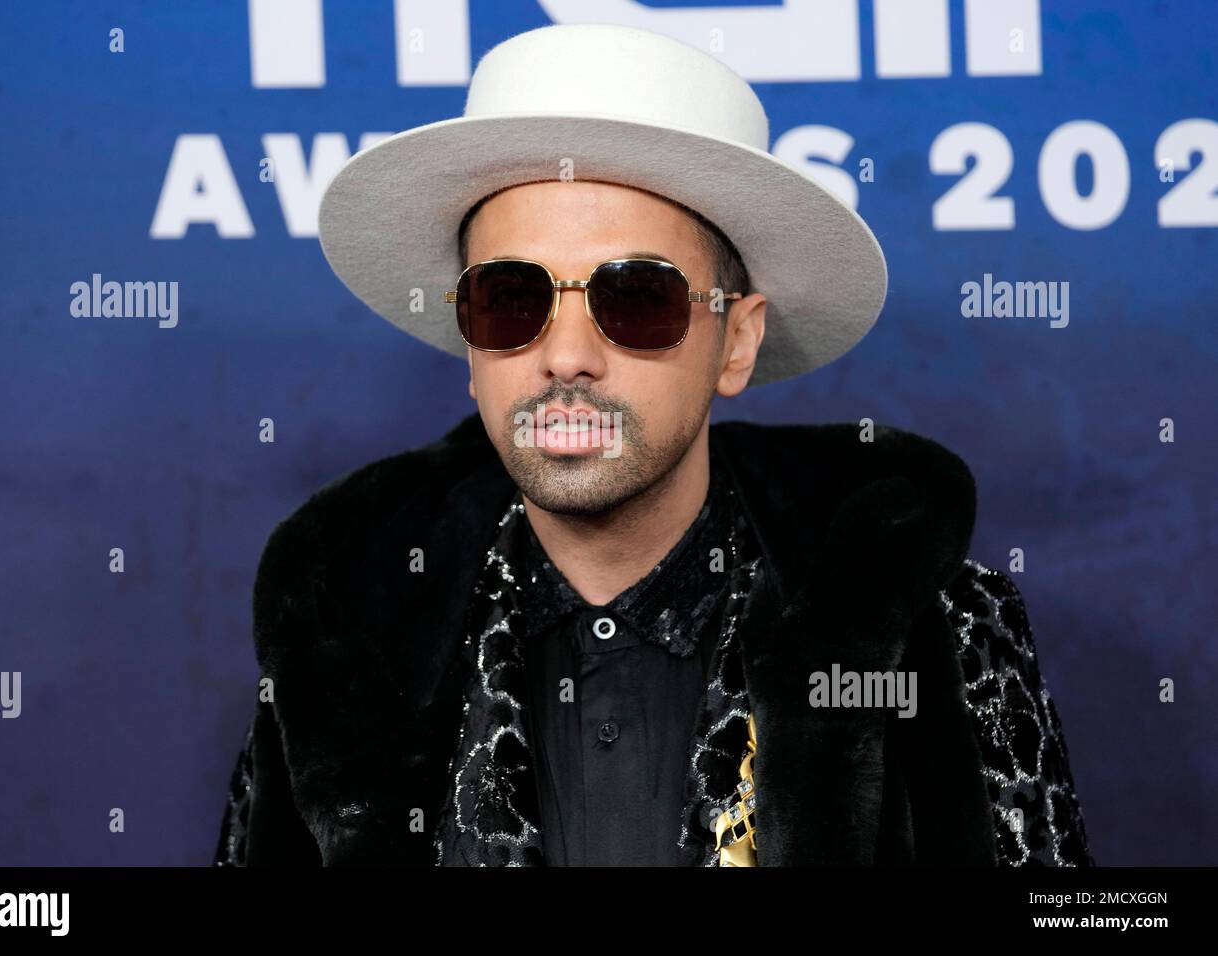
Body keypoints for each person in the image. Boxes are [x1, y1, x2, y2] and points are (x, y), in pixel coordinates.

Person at [213, 23, 1091, 867]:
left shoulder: (931, 630)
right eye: (511, 300)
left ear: (736, 343)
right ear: (471, 348)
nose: (565, 356)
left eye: (636, 299)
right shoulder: (343, 640)